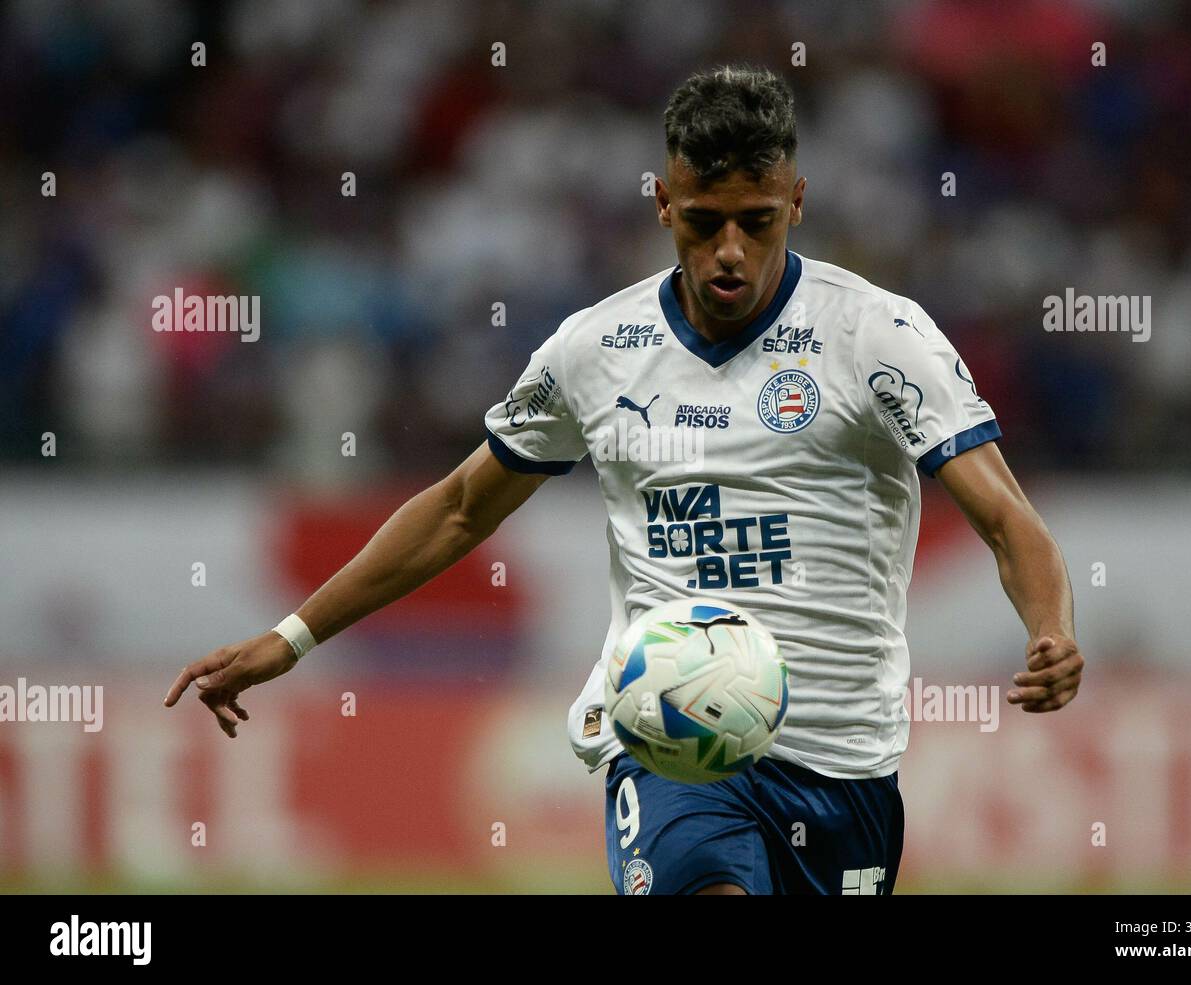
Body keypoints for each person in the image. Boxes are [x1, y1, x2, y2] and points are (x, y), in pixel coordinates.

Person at [164, 64, 1083, 895]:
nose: (731, 251)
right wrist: (291, 637)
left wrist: (1050, 628)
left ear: (797, 202)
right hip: (670, 743)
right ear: (662, 202)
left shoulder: (878, 336)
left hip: (843, 763)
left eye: (757, 221)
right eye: (704, 221)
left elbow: (1006, 517)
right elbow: (458, 508)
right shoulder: (596, 349)